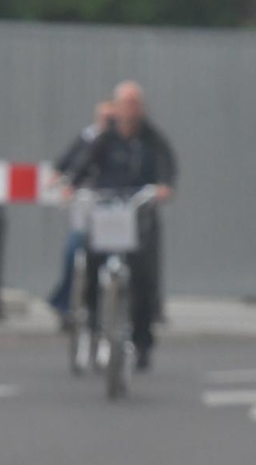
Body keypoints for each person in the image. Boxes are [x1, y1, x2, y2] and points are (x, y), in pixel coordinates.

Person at [63, 81, 178, 369]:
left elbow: (167, 164)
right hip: (107, 212)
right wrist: (72, 185)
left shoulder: (151, 138)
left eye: (135, 103)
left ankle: (141, 341)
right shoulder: (106, 139)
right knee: (91, 263)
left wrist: (164, 186)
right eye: (125, 103)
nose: (130, 109)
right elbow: (84, 162)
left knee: (143, 278)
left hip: (138, 215)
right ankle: (90, 323)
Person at [44, 92, 117, 330]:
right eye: (104, 117)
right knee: (76, 249)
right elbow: (67, 163)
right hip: (87, 204)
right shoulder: (87, 138)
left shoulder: (121, 143)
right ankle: (65, 302)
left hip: (112, 205)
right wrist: (64, 184)